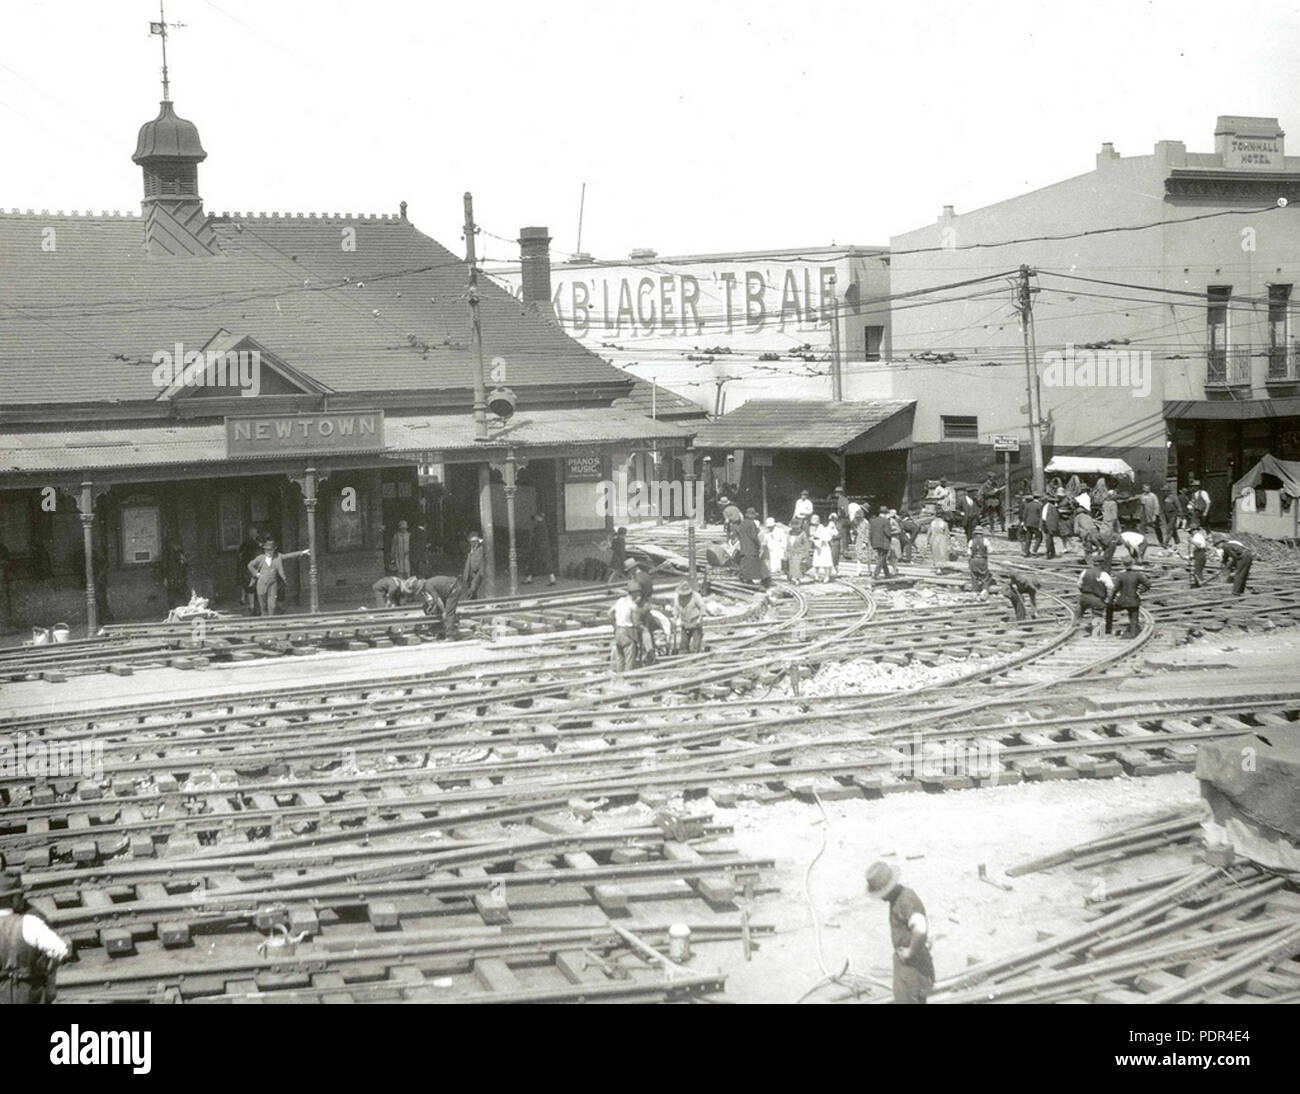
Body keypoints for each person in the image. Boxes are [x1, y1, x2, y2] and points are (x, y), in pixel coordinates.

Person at [865, 861, 934, 1005]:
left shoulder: (905, 900)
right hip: (910, 961)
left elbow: (920, 928)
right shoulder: (901, 897)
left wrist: (910, 952)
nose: (881, 898)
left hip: (912, 966)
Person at [1, 868, 71, 1004]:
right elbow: (62, 951)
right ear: (13, 898)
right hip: (30, 996)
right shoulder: (29, 923)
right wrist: (49, 976)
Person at [247, 537, 309, 617]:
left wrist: (302, 552)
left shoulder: (278, 557)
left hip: (273, 583)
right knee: (263, 605)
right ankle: (264, 621)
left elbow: (288, 555)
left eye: (271, 550)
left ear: (274, 550)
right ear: (265, 550)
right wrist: (256, 574)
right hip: (261, 583)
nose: (269, 552)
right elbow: (250, 565)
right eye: (267, 550)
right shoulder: (260, 558)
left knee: (272, 604)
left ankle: (271, 619)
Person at [1105, 558, 1150, 638]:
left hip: (1122, 601)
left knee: (1109, 609)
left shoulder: (1120, 575)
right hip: (1134, 601)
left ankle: (1108, 630)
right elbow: (1148, 584)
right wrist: (1140, 591)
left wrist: (1111, 600)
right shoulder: (1138, 575)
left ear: (1123, 565)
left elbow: (1115, 589)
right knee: (1134, 617)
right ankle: (1133, 634)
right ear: (1133, 564)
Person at [1077, 559, 1115, 636]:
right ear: (1102, 564)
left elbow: (1079, 585)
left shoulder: (1085, 572)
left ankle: (1074, 629)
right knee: (1097, 614)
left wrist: (1083, 592)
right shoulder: (1104, 574)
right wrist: (1109, 599)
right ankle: (1097, 635)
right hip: (1097, 598)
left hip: (1084, 596)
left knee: (1078, 612)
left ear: (1093, 563)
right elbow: (1110, 587)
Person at [420, 574, 463, 639]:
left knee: (449, 613)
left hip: (453, 588)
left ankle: (450, 635)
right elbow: (435, 599)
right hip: (447, 590)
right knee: (427, 607)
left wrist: (444, 611)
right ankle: (440, 630)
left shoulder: (428, 586)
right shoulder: (427, 584)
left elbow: (438, 599)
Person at [668, 580, 706, 653]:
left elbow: (702, 606)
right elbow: (676, 608)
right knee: (683, 646)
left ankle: (696, 654)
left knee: (696, 646)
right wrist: (675, 618)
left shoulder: (695, 596)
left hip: (695, 622)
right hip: (685, 623)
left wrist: (700, 618)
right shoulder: (678, 597)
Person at [609, 584, 640, 673]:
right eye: (638, 593)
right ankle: (627, 678)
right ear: (633, 594)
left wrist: (614, 626)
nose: (639, 595)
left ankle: (619, 677)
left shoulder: (620, 601)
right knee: (629, 657)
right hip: (627, 631)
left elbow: (609, 614)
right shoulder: (633, 605)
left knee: (620, 658)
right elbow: (636, 622)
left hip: (618, 631)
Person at [736, 508, 768, 586]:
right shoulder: (751, 523)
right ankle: (750, 582)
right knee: (752, 565)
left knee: (745, 565)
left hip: (743, 548)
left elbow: (738, 533)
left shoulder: (742, 523)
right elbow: (754, 536)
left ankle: (745, 580)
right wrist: (758, 545)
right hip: (751, 548)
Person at [524, 512, 557, 586]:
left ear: (539, 517)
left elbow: (536, 537)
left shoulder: (539, 526)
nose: (536, 518)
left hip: (539, 547)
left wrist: (532, 545)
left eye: (537, 517)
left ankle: (551, 578)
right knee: (536, 562)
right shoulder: (542, 525)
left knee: (536, 561)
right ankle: (529, 578)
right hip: (542, 547)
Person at [237, 526, 262, 615]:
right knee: (251, 586)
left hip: (250, 567)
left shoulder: (251, 542)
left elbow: (240, 553)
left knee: (250, 586)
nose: (253, 534)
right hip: (250, 567)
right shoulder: (254, 543)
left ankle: (252, 606)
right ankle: (252, 607)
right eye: (252, 532)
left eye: (254, 532)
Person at [868, 509, 894, 581]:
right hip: (884, 542)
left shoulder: (873, 521)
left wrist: (871, 541)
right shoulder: (886, 521)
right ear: (885, 514)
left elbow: (870, 532)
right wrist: (892, 534)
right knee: (882, 558)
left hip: (875, 542)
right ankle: (875, 574)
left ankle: (887, 573)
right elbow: (887, 532)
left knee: (882, 558)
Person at [161, 538, 188, 606]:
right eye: (176, 545)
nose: (177, 547)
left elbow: (185, 563)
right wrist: (165, 577)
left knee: (178, 593)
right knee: (172, 593)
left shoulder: (180, 553)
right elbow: (166, 566)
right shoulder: (169, 554)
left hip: (179, 576)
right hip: (172, 576)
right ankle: (173, 607)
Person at [967, 525, 993, 597]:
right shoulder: (985, 541)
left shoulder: (971, 541)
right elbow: (990, 551)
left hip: (973, 559)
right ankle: (984, 590)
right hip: (982, 559)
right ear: (982, 533)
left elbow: (969, 553)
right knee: (984, 575)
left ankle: (974, 591)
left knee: (974, 575)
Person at [810, 514, 835, 583]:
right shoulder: (814, 528)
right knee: (817, 562)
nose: (813, 524)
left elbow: (825, 538)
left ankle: (827, 576)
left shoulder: (822, 528)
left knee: (825, 562)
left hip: (824, 547)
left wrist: (816, 540)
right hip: (818, 547)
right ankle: (816, 575)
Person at [462, 533, 485, 599]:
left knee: (472, 589)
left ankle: (468, 601)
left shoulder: (481, 549)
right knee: (473, 590)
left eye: (474, 541)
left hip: (477, 573)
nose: (472, 543)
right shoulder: (471, 549)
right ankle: (474, 603)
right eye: (471, 542)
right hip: (470, 574)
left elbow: (479, 562)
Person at [787, 519, 811, 585]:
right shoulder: (789, 533)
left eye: (796, 527)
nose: (794, 529)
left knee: (797, 566)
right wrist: (786, 552)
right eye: (793, 527)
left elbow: (806, 545)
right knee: (790, 567)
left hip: (799, 552)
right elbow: (788, 543)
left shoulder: (802, 534)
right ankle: (792, 579)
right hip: (790, 552)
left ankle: (797, 579)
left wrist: (805, 555)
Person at [1040, 495, 1060, 560]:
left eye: (1043, 501)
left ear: (1046, 500)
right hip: (1044, 524)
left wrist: (1054, 526)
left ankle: (1049, 553)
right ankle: (1052, 552)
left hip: (1050, 524)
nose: (1042, 502)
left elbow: (1056, 517)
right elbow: (1042, 516)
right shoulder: (1043, 507)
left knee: (1048, 539)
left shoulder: (1052, 507)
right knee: (1049, 539)